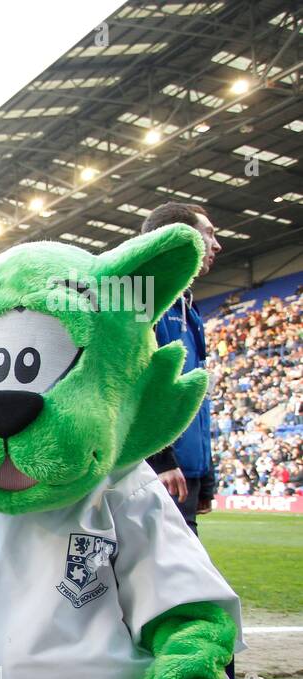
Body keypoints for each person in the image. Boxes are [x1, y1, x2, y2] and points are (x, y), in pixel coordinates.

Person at [143, 202, 222, 533]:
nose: (217, 244)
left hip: (186, 471)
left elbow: (195, 396)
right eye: (209, 234)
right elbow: (138, 380)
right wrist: (161, 458)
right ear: (183, 238)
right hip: (157, 471)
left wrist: (205, 474)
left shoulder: (190, 307)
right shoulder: (144, 297)